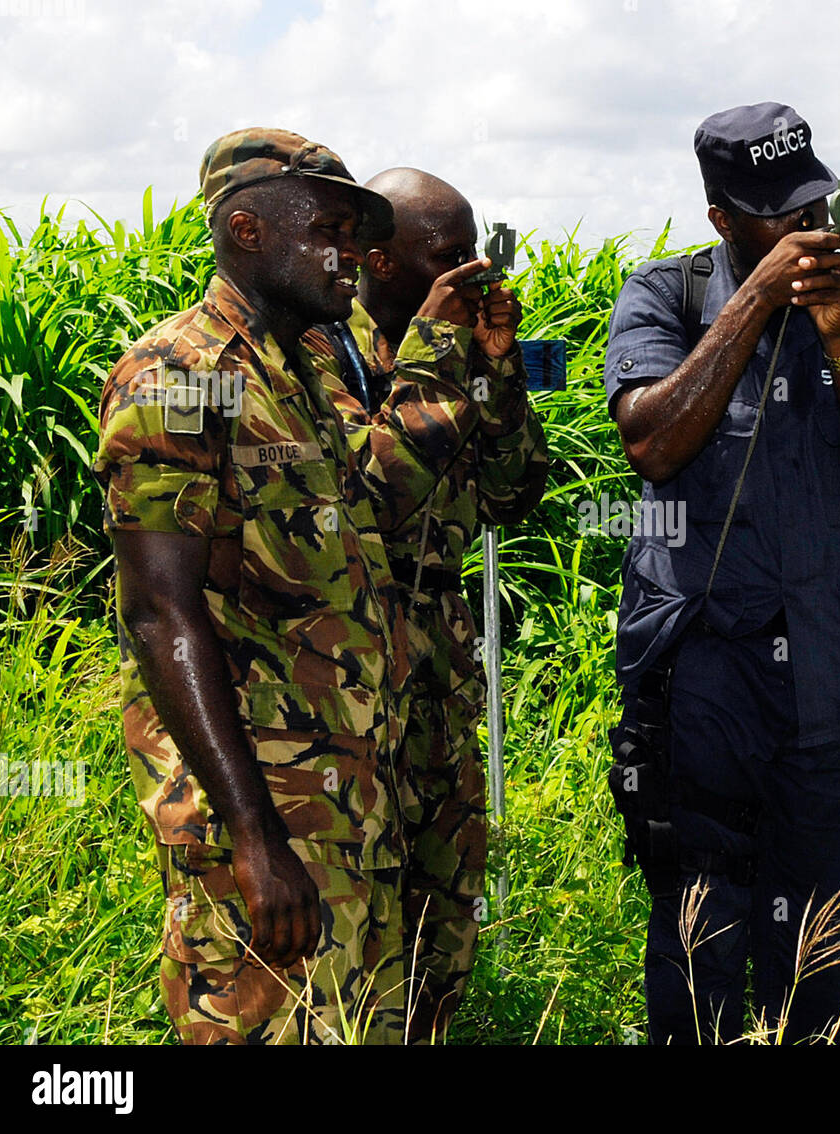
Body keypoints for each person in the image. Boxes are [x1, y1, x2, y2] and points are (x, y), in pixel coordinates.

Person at [94, 128, 493, 1044]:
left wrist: (463, 363)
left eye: (358, 233)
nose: (352, 252)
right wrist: (253, 838)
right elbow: (162, 614)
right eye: (330, 228)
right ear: (246, 230)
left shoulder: (314, 367)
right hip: (273, 809)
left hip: (357, 800)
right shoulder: (182, 376)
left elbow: (392, 498)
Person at [604, 102, 840, 1044]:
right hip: (704, 680)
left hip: (833, 674)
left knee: (831, 922)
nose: (804, 229)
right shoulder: (666, 296)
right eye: (777, 214)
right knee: (700, 925)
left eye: (813, 206)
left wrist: (838, 337)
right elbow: (653, 442)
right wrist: (755, 301)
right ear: (721, 221)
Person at [310, 167, 548, 1041]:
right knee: (361, 897)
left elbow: (516, 491)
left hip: (439, 669)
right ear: (379, 260)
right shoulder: (317, 353)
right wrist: (435, 355)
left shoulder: (449, 350)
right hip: (349, 672)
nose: (472, 270)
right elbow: (369, 496)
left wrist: (496, 371)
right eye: (449, 256)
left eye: (475, 248)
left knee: (444, 899)